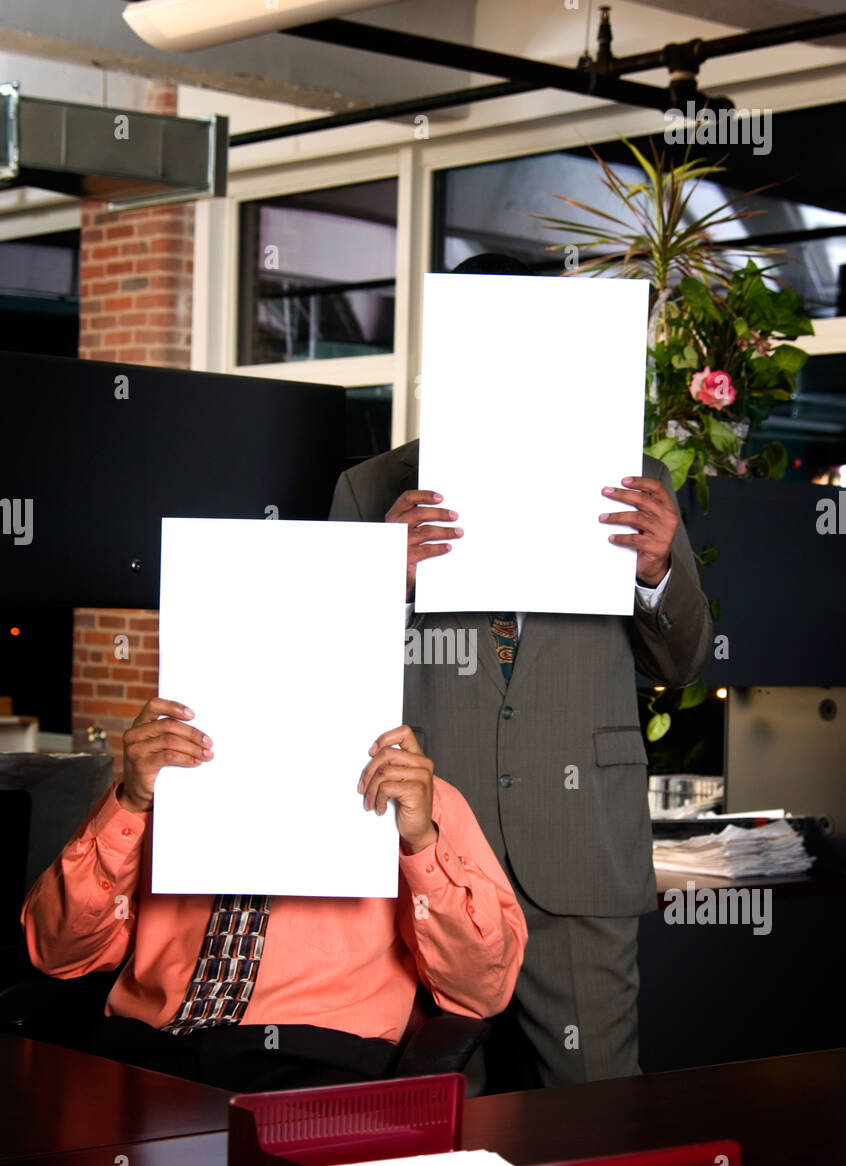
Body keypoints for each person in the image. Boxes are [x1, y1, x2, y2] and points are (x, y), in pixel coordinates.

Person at [329, 253, 713, 1089]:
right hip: (428, 853)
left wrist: (657, 573)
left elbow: (682, 663)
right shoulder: (371, 491)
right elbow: (325, 677)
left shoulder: (635, 483)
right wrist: (379, 580)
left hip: (581, 856)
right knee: (432, 1124)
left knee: (597, 1116)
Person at [22, 698, 527, 1091]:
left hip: (315, 1066)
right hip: (145, 1053)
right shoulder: (159, 789)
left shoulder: (420, 799)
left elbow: (481, 991)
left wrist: (422, 841)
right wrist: (132, 803)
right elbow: (55, 954)